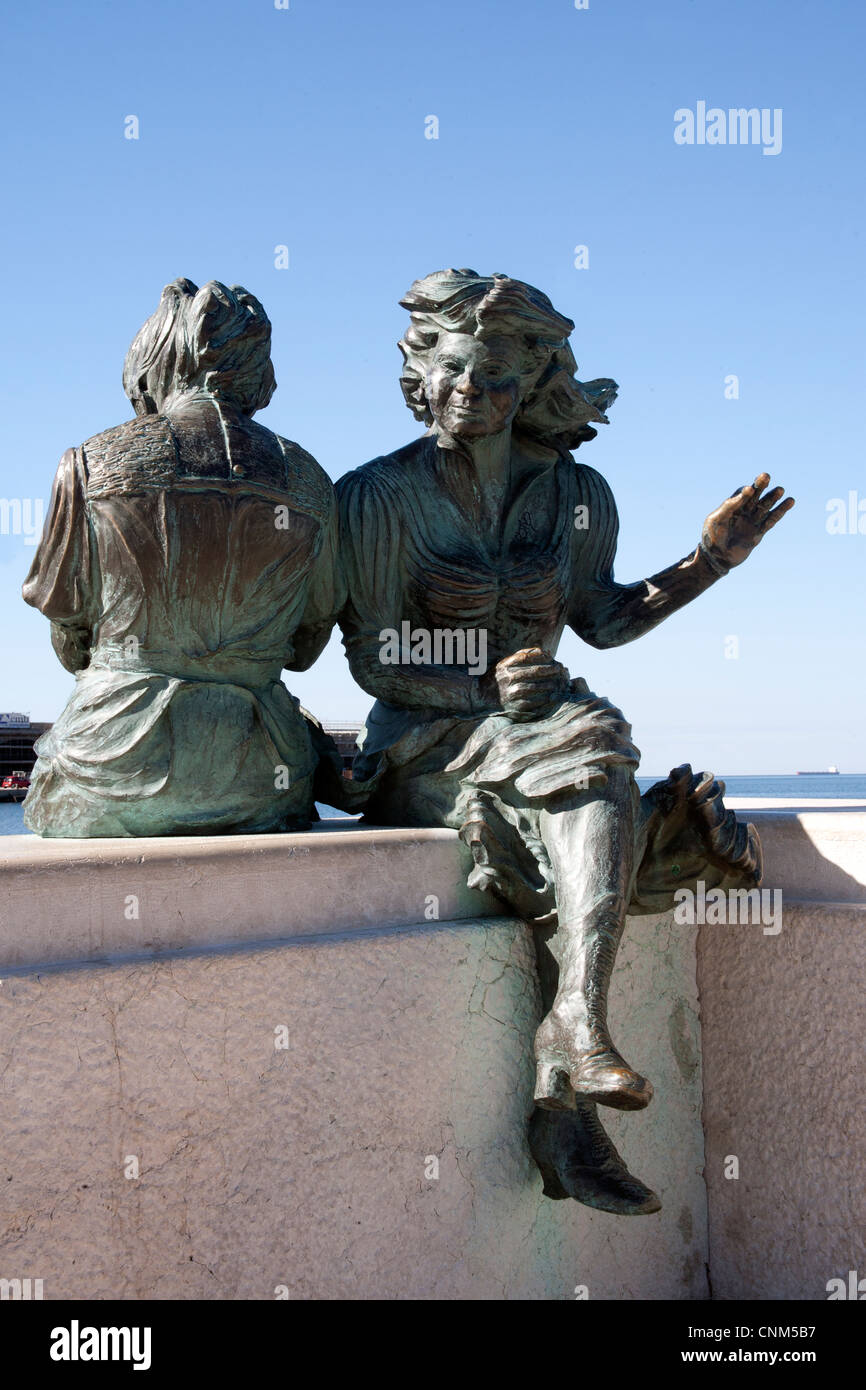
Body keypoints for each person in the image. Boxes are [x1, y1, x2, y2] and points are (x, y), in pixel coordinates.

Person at [336, 268, 793, 1213]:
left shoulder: (578, 494)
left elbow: (609, 620)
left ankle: (573, 1042)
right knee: (597, 764)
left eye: (498, 378)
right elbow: (377, 661)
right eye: (455, 372)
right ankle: (573, 1054)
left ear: (531, 383)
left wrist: (711, 560)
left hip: (543, 735)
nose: (473, 395)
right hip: (426, 742)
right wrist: (477, 680)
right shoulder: (377, 495)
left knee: (587, 755)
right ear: (423, 373)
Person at [23, 278, 344, 836]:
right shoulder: (312, 482)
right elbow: (304, 650)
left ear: (155, 359)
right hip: (261, 774)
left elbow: (70, 641)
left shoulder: (89, 462)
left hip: (109, 768)